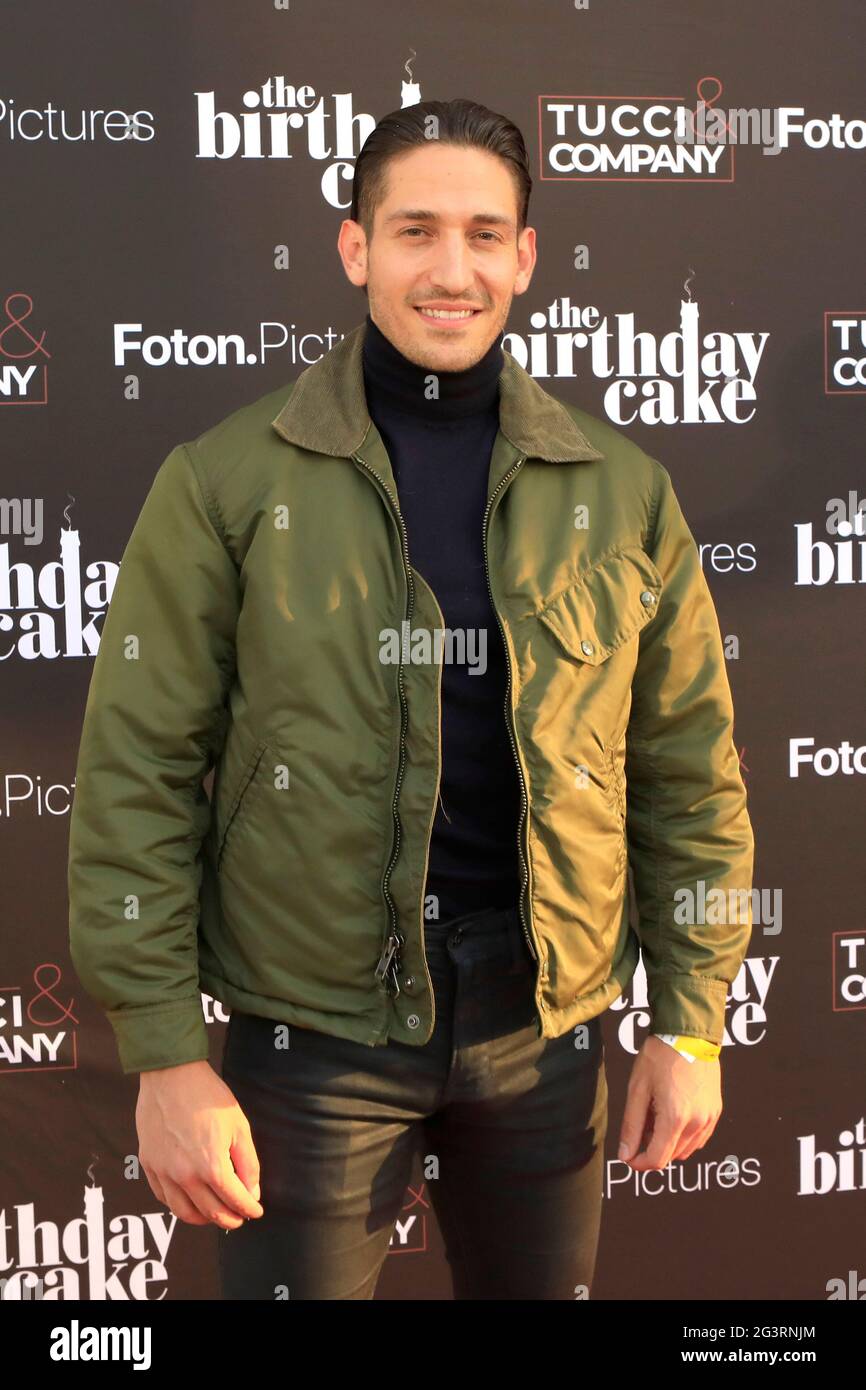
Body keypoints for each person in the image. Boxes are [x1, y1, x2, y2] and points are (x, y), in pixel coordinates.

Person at [67, 98, 755, 1300]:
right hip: (309, 1035)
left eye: (485, 235)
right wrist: (165, 1054)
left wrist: (690, 1023)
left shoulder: (624, 493)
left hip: (543, 1036)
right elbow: (139, 771)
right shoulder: (225, 482)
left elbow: (689, 772)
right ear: (354, 248)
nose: (452, 270)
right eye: (415, 231)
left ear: (525, 258)